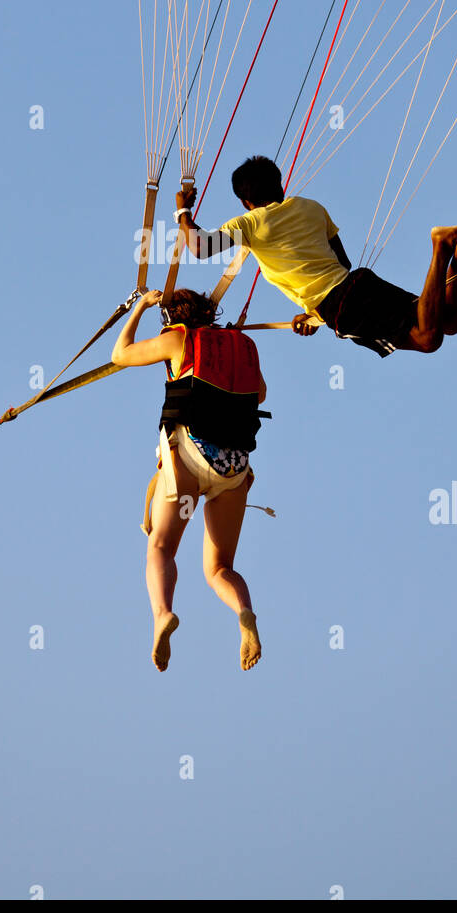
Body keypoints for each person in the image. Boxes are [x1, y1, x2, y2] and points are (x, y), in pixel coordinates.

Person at [174, 155, 457, 357]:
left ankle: (442, 247)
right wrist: (313, 317)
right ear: (280, 184)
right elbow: (342, 263)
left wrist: (183, 213)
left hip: (339, 305)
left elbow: (200, 247)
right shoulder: (310, 207)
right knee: (448, 320)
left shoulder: (249, 223)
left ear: (246, 202)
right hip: (356, 282)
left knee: (427, 339)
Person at [111, 287, 267, 673]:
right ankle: (245, 612)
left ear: (175, 320)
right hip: (233, 469)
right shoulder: (244, 344)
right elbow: (259, 393)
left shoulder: (178, 339)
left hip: (190, 460)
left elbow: (120, 355)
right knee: (219, 569)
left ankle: (163, 615)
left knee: (161, 547)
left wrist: (140, 308)